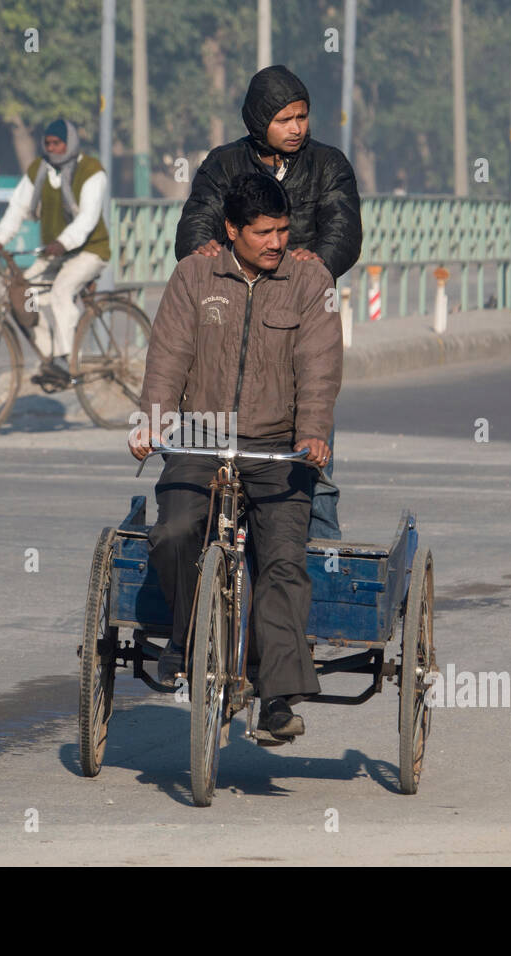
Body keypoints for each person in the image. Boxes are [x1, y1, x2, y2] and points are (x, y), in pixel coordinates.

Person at [131, 173, 342, 741]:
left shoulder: (310, 280)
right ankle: (183, 639)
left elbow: (318, 364)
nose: (276, 242)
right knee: (174, 530)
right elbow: (169, 356)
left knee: (281, 563)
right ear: (231, 231)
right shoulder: (195, 275)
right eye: (262, 232)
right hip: (201, 436)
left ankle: (276, 698)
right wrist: (153, 423)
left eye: (282, 230)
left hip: (278, 447)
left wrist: (315, 432)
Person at [174, 65, 361, 542]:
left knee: (311, 443)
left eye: (302, 117)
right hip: (232, 313)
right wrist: (204, 249)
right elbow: (198, 220)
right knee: (201, 463)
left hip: (299, 316)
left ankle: (321, 552)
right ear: (259, 121)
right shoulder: (222, 164)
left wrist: (314, 263)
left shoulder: (329, 165)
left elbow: (343, 228)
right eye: (285, 119)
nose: (297, 128)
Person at [0, 118, 110, 385]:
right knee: (24, 294)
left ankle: (67, 359)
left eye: (58, 143)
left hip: (90, 251)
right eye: (48, 144)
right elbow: (18, 206)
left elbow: (88, 218)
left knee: (61, 291)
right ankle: (50, 358)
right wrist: (0, 239)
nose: (53, 148)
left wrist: (65, 242)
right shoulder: (40, 169)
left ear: (70, 143)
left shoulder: (92, 171)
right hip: (56, 253)